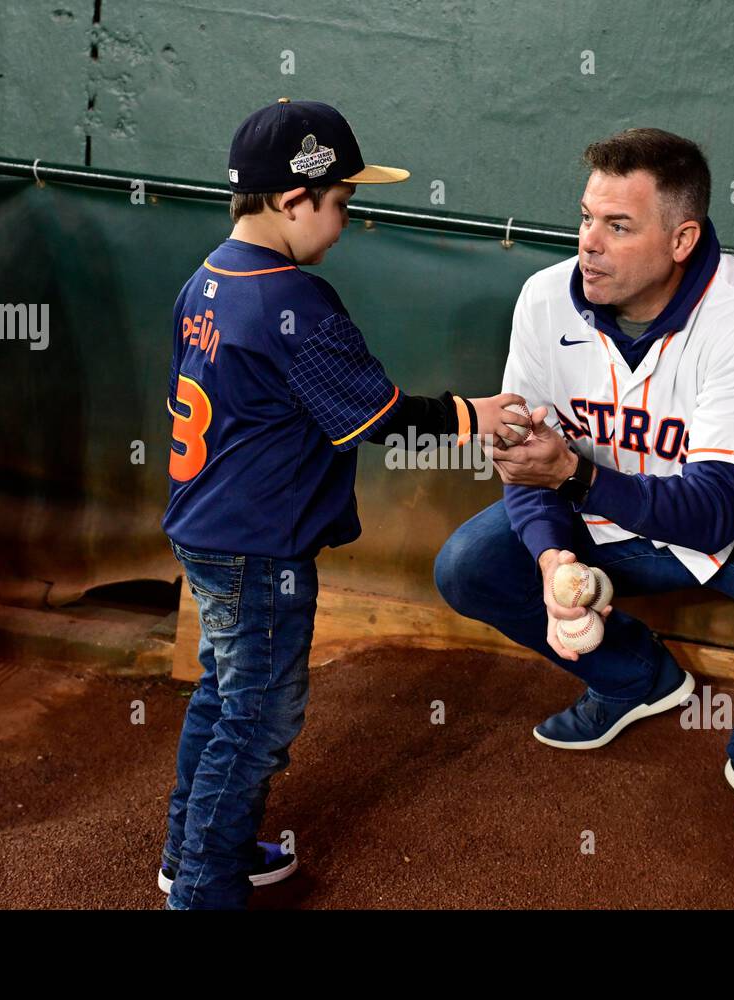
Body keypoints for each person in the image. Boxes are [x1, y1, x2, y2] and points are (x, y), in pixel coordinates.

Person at [434, 128, 734, 855]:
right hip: (608, 506)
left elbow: (716, 512)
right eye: (585, 218)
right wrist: (553, 564)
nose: (589, 243)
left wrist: (574, 476)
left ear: (681, 239)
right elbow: (527, 464)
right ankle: (637, 677)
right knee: (469, 564)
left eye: (619, 226)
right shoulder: (545, 300)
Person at [159, 98, 529, 909]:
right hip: (257, 546)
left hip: (208, 529)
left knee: (225, 694)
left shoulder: (206, 278)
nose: (346, 221)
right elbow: (377, 415)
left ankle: (189, 847)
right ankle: (204, 885)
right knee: (259, 717)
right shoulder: (293, 301)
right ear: (293, 202)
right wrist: (474, 415)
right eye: (341, 204)